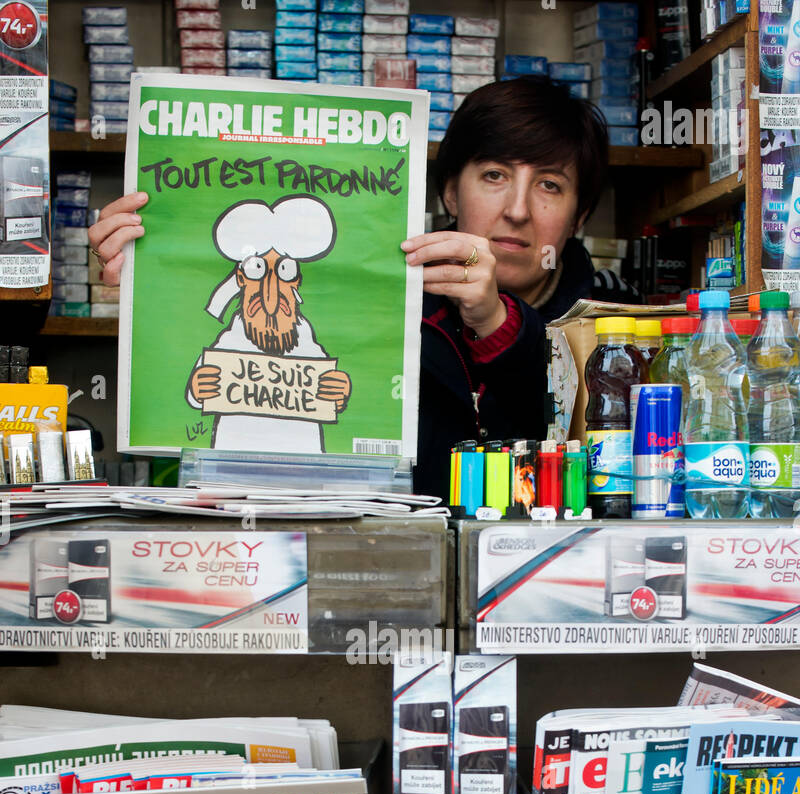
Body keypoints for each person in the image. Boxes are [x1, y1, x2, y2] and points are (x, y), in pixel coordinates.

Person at [88, 77, 614, 499]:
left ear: (580, 213)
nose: (518, 210)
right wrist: (154, 284)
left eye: (549, 185)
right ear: (450, 191)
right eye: (495, 175)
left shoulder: (619, 334)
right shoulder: (373, 299)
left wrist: (496, 324)